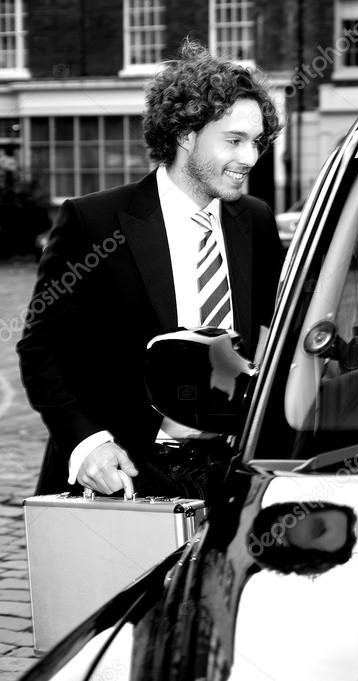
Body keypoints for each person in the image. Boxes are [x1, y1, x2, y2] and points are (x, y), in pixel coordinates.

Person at [17, 39, 284, 498]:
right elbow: (41, 349)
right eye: (235, 140)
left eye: (256, 142)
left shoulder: (254, 219)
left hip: (229, 471)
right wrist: (87, 443)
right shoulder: (94, 222)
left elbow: (278, 331)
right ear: (186, 135)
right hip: (123, 474)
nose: (251, 158)